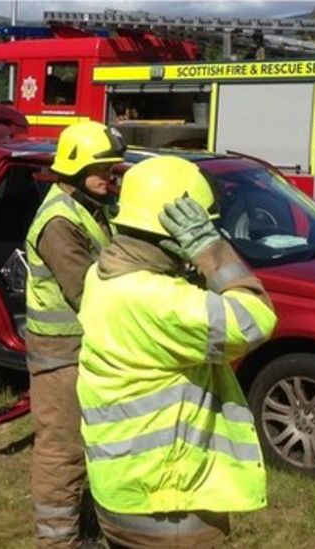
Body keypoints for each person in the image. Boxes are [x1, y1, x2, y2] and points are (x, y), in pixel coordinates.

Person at [76, 156, 278, 548]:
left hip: (121, 489)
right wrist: (211, 251)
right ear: (174, 237)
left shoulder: (103, 276)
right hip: (169, 505)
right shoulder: (160, 301)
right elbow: (256, 319)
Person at [24, 120, 125, 547]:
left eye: (115, 170)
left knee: (89, 446)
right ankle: (58, 540)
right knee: (61, 452)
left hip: (83, 350)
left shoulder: (89, 207)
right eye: (104, 170)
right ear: (76, 169)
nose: (112, 178)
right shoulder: (60, 222)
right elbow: (85, 289)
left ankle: (82, 528)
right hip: (60, 355)